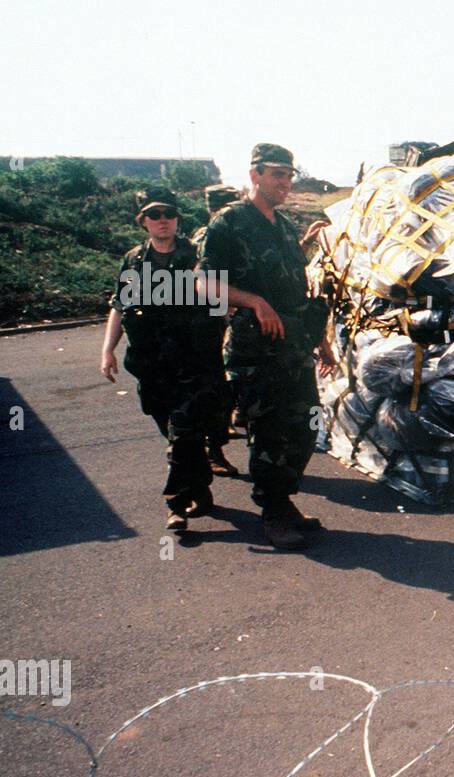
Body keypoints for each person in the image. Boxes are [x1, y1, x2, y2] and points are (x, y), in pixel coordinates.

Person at [196, 143, 332, 550]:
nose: (285, 182)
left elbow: (298, 294)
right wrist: (253, 301)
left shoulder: (285, 227)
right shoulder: (230, 223)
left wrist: (322, 342)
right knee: (269, 432)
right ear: (255, 175)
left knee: (305, 425)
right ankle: (273, 512)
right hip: (255, 352)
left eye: (290, 175)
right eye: (277, 174)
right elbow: (202, 284)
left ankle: (283, 499)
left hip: (294, 348)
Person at [100, 187, 224, 531]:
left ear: (177, 219)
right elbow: (120, 306)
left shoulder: (199, 256)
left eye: (168, 214)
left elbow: (221, 308)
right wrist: (107, 350)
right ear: (143, 221)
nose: (162, 220)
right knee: (176, 434)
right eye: (154, 215)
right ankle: (200, 487)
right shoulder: (134, 261)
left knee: (182, 432)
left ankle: (177, 504)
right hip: (152, 366)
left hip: (194, 364)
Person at [191, 184, 243, 477]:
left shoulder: (226, 235)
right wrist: (225, 314)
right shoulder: (209, 236)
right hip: (210, 325)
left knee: (225, 387)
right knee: (215, 388)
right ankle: (213, 451)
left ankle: (219, 435)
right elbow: (206, 286)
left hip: (222, 321)